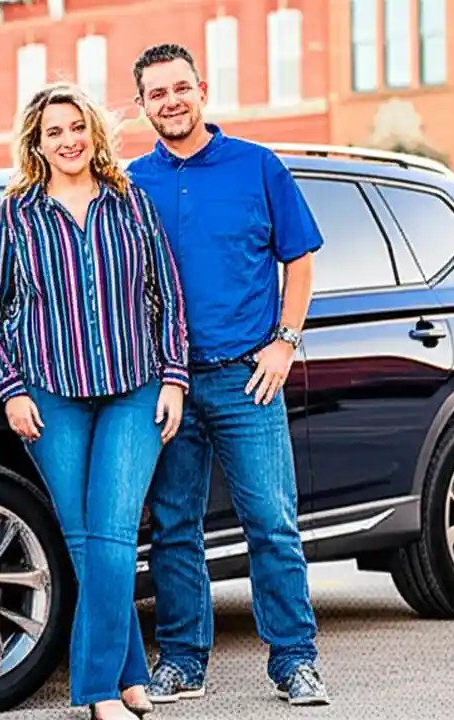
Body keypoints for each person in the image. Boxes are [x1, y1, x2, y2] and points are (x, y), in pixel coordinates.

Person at [0, 81, 191, 720]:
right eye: (52, 133)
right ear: (36, 145)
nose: (67, 141)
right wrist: (12, 390)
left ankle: (95, 693)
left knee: (115, 533)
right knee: (88, 544)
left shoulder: (131, 203)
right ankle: (129, 676)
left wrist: (174, 377)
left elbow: (167, 296)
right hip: (50, 394)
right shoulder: (12, 215)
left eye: (75, 128)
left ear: (94, 131)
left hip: (135, 387)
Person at [124, 44, 331, 707]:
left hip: (248, 376)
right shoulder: (131, 184)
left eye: (180, 88)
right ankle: (183, 661)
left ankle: (295, 661)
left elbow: (298, 260)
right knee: (176, 524)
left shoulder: (257, 167)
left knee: (270, 521)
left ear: (202, 89)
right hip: (168, 385)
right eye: (157, 93)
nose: (171, 101)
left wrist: (285, 343)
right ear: (143, 105)